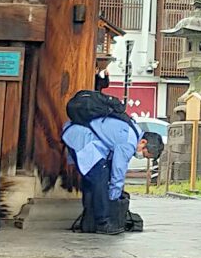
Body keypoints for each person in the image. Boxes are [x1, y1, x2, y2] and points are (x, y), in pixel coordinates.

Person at [61, 90, 142, 234]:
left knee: (92, 184)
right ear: (144, 142)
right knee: (100, 180)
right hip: (83, 140)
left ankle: (88, 222)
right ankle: (102, 223)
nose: (142, 156)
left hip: (76, 134)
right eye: (146, 153)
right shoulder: (129, 141)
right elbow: (118, 171)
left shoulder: (131, 126)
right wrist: (114, 197)